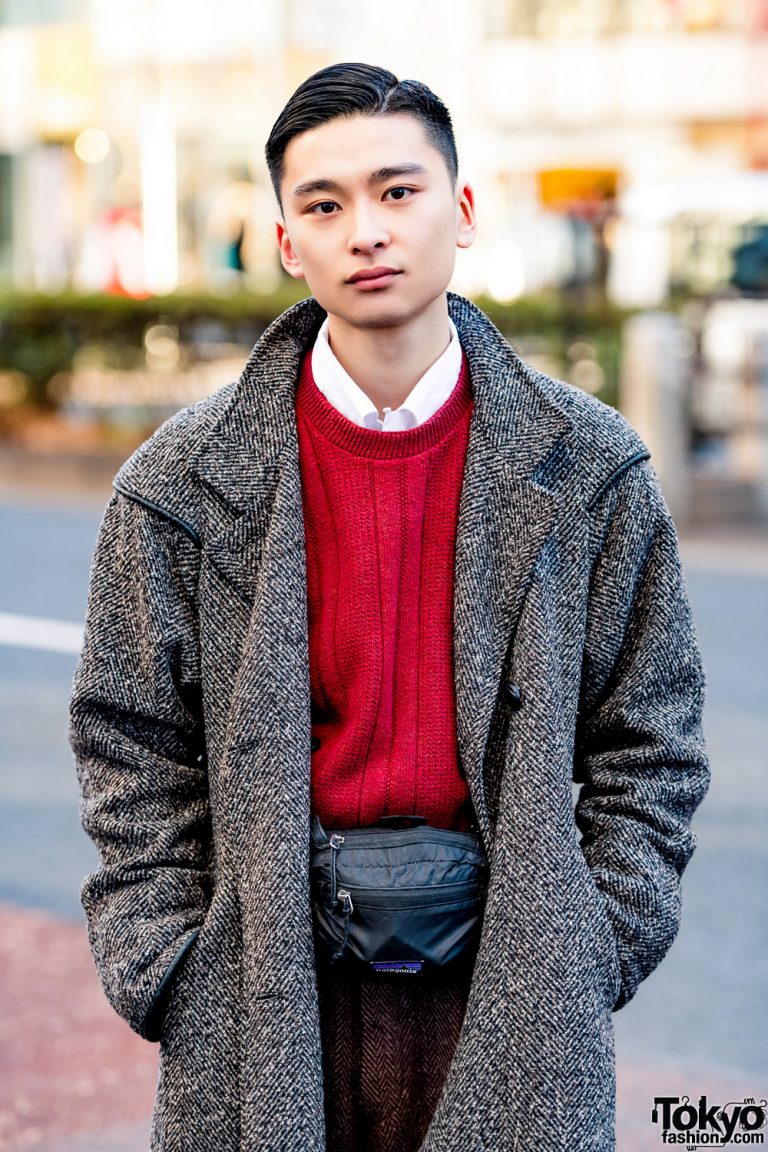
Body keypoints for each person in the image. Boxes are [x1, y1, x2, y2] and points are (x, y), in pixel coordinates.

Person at [69, 62, 710, 1152]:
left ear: (461, 214)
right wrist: (169, 957)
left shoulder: (590, 468)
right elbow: (130, 740)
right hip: (265, 990)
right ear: (286, 242)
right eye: (324, 204)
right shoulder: (178, 486)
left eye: (397, 191)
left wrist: (590, 942)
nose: (365, 229)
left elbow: (652, 740)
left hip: (510, 989)